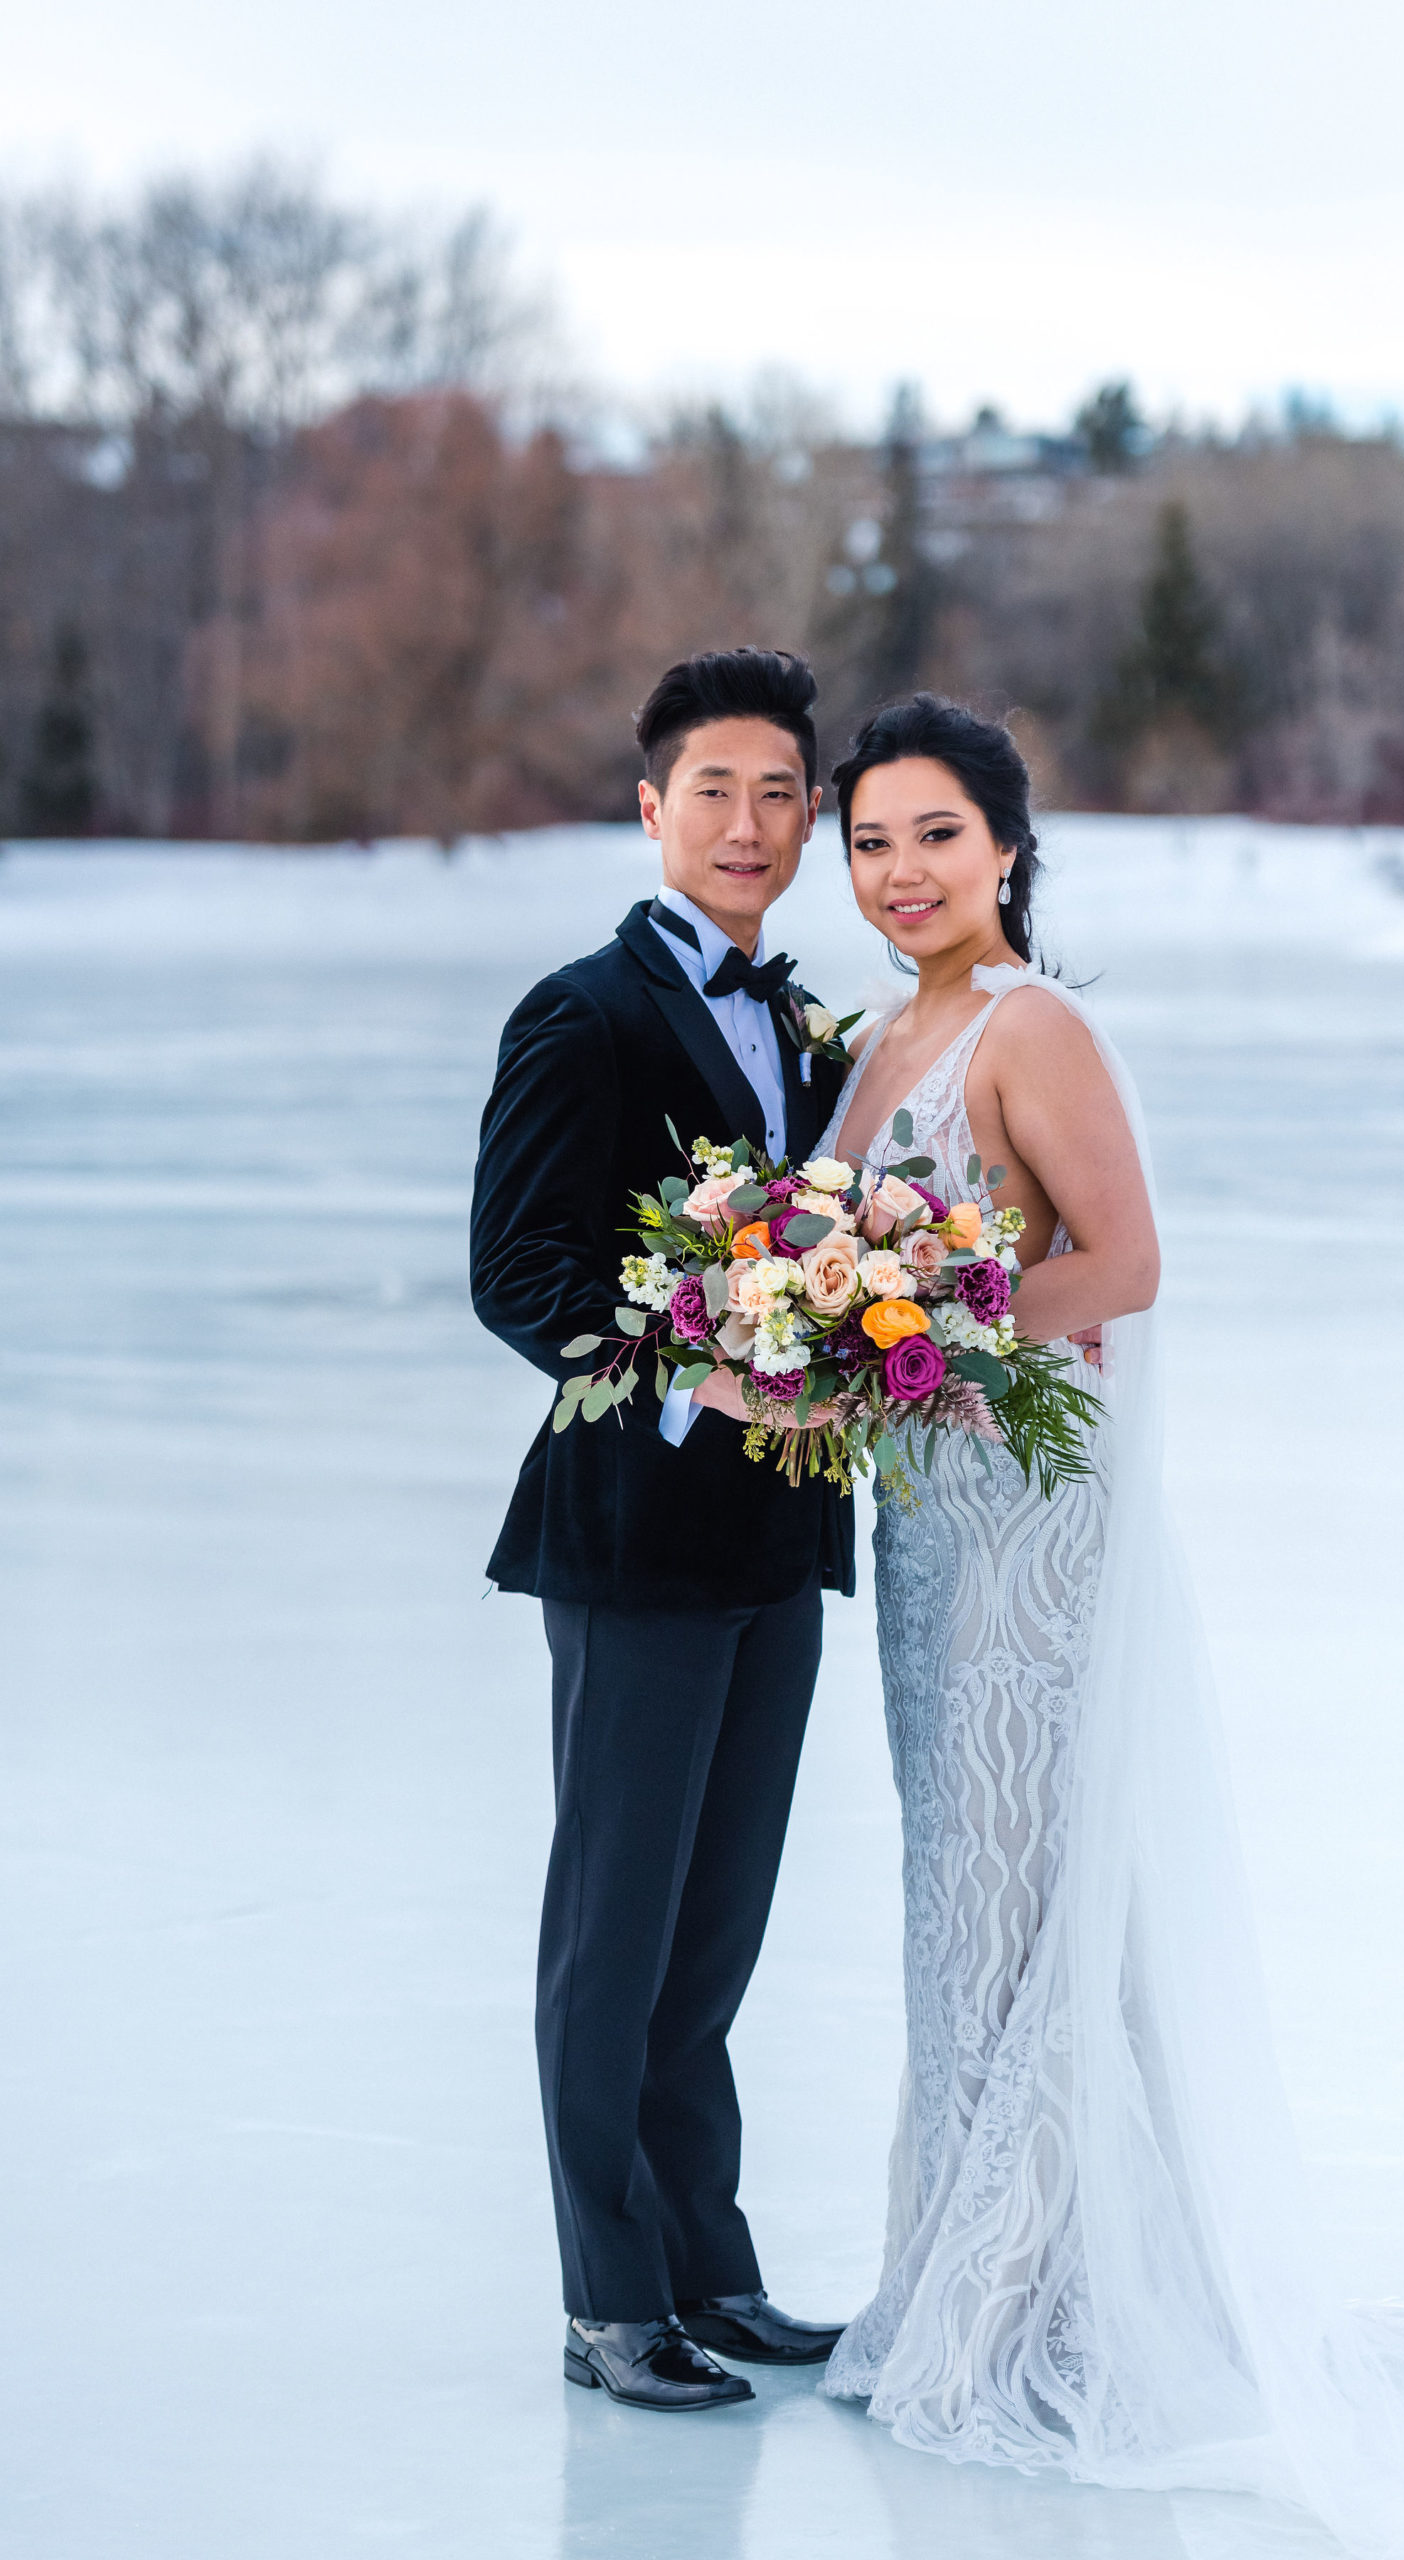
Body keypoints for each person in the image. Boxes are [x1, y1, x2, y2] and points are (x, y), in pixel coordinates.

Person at [814, 695, 1404, 2556]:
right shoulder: (886, 1035)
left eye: (935, 836)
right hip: (923, 1515)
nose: (900, 873)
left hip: (1029, 1522)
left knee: (1024, 1886)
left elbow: (1124, 1263)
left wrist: (910, 1331)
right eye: (871, 842)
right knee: (954, 1886)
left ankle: (1023, 2303)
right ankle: (976, 2257)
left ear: (1006, 846)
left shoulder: (1029, 1027)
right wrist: (834, 1337)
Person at [470, 648, 852, 2412]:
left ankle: (713, 2266)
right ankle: (610, 2299)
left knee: (713, 1939)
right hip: (633, 1534)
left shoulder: (808, 1025)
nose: (747, 823)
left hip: (778, 1542)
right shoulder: (582, 1013)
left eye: (779, 794)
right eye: (715, 790)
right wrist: (709, 1370)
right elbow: (520, 1277)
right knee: (613, 1933)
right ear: (650, 810)